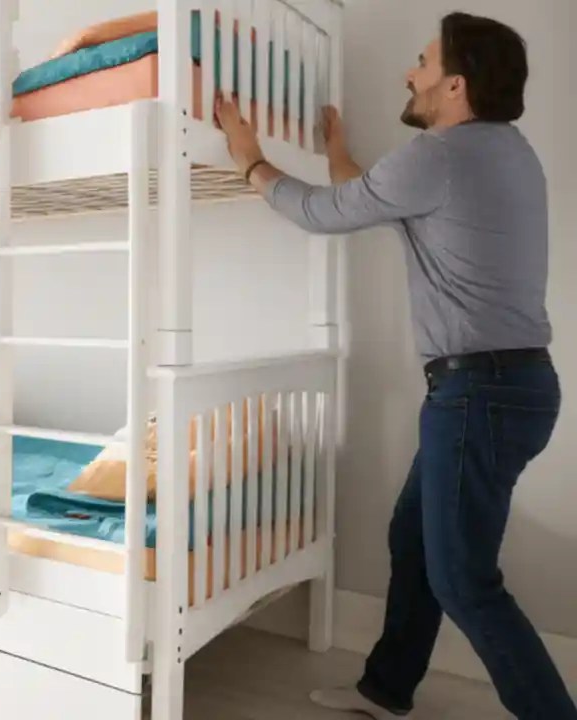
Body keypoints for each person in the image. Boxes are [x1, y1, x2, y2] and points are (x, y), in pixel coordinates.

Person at [215, 11, 574, 720]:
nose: (409, 73)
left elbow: (324, 212)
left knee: (464, 580)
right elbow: (367, 200)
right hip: (510, 387)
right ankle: (386, 689)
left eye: (421, 62)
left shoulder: (438, 157)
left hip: (479, 392)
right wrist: (339, 149)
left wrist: (250, 158)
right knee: (413, 538)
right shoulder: (503, 150)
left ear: (454, 86)